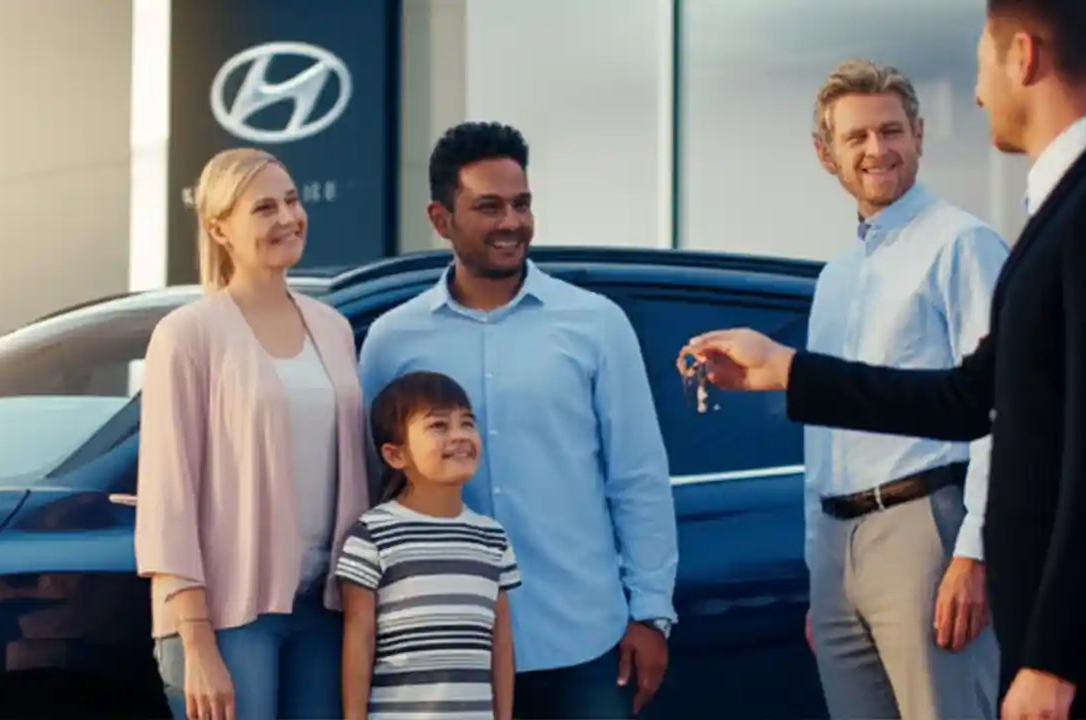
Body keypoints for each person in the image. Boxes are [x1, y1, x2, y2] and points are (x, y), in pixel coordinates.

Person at [678, 1, 1086, 718]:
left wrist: (1053, 656)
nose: (976, 94)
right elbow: (967, 398)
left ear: (1024, 57)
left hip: (1081, 647)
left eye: (979, 68)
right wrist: (788, 371)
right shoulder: (1069, 210)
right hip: (893, 569)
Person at [358, 121, 678, 719]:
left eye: (522, 203)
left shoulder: (596, 325)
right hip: (443, 648)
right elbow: (372, 488)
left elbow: (637, 478)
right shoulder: (391, 341)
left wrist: (651, 612)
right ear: (440, 218)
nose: (512, 222)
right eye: (489, 206)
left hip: (582, 641)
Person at [799, 59, 1006, 720]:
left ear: (919, 134)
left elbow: (1003, 411)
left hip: (926, 534)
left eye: (891, 131)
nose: (876, 150)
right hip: (839, 550)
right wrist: (819, 578)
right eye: (856, 137)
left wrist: (975, 554)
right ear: (825, 153)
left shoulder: (963, 245)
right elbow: (824, 436)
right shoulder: (835, 277)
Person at [134, 147, 371, 720]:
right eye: (264, 207)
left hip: (324, 606)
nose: (288, 218)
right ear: (220, 228)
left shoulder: (334, 328)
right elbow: (169, 496)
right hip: (227, 614)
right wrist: (196, 642)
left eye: (291, 201)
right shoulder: (187, 335)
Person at [337, 371, 520, 720]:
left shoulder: (491, 536)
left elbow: (501, 643)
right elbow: (358, 640)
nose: (460, 436)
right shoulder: (373, 534)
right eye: (439, 426)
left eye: (467, 423)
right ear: (395, 455)